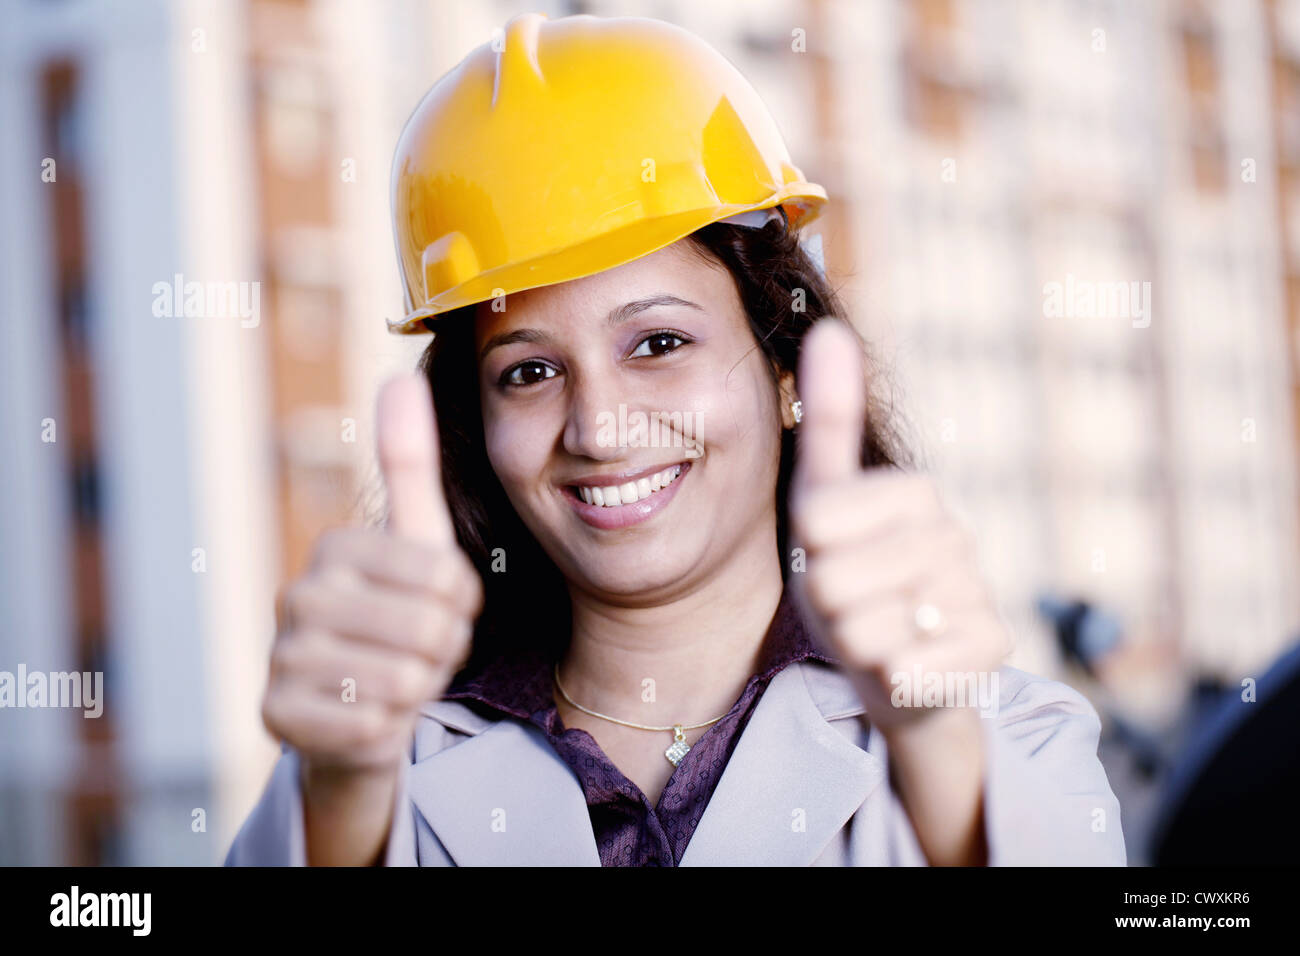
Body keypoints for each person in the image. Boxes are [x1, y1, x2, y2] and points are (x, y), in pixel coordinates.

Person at [225, 12, 1126, 867]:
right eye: (529, 372)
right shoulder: (379, 770)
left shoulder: (1008, 740)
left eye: (658, 343)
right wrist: (340, 794)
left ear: (788, 373)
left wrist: (935, 751)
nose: (599, 425)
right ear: (474, 424)